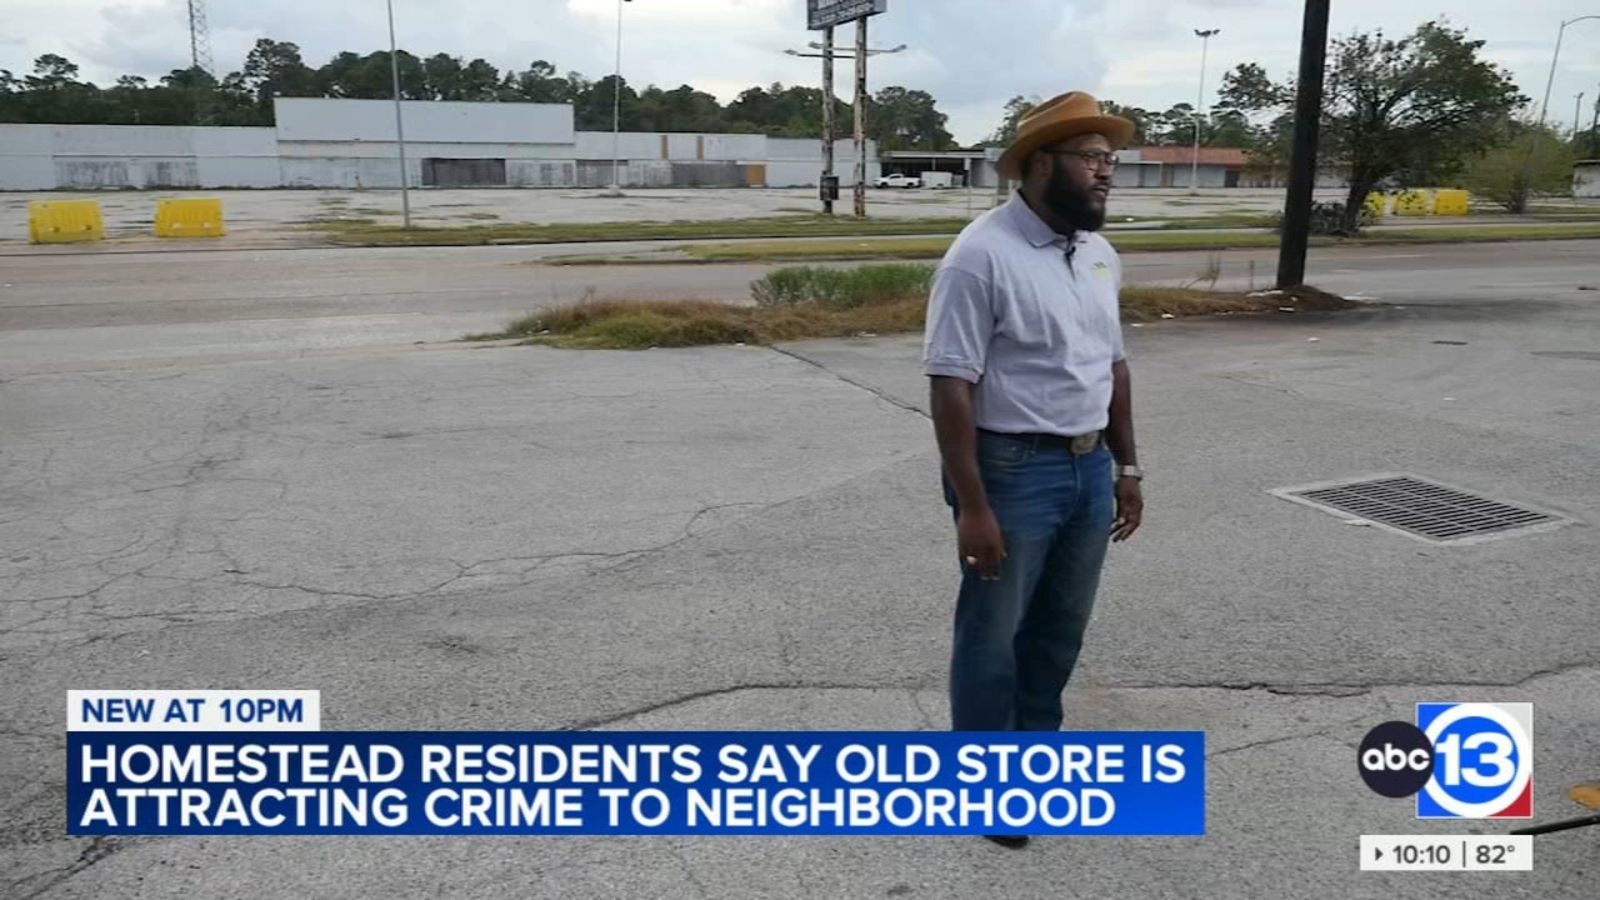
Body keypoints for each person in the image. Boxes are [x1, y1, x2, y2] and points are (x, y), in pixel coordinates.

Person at [922, 91, 1145, 847]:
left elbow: (1111, 366)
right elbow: (951, 382)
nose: (1105, 174)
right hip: (1011, 471)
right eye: (1092, 159)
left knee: (1057, 632)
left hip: (1089, 470)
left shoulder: (1099, 254)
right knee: (992, 635)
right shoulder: (980, 257)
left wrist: (1129, 467)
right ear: (1041, 163)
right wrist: (974, 506)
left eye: (1111, 161)